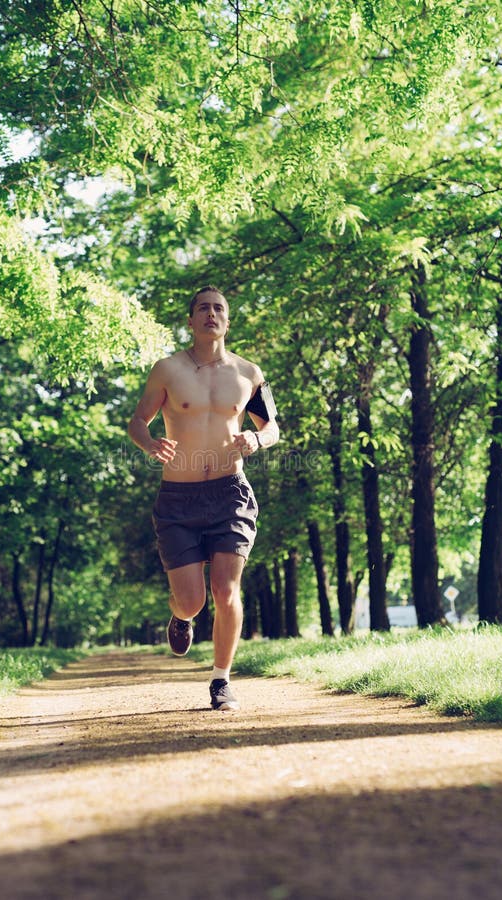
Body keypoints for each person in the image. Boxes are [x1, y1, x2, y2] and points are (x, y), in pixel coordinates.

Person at [127, 286, 279, 710]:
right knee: (193, 599)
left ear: (227, 321)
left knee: (226, 588)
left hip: (231, 492)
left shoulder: (249, 373)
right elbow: (138, 421)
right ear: (191, 320)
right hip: (178, 498)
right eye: (203, 308)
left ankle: (221, 680)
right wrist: (150, 443)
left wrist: (256, 438)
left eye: (219, 309)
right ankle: (180, 614)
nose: (211, 314)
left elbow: (272, 427)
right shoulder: (167, 371)